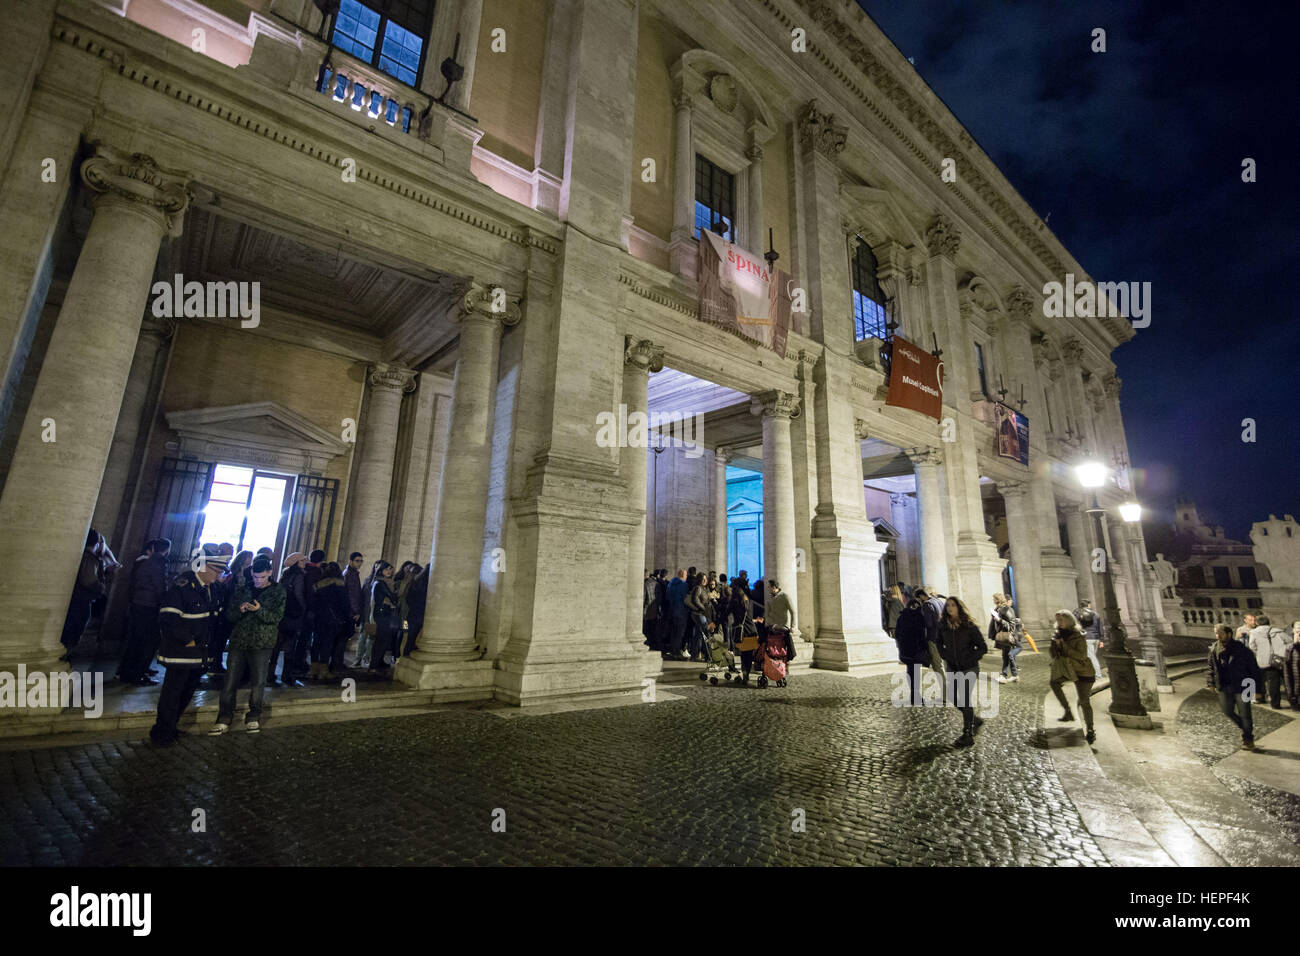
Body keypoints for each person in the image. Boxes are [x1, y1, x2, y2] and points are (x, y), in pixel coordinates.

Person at [149, 545, 225, 746]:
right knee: (172, 694)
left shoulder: (213, 589)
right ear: (202, 566)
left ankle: (171, 726)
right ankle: (161, 732)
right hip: (181, 651)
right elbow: (168, 619)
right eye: (216, 571)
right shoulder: (182, 587)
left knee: (187, 692)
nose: (218, 576)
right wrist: (187, 640)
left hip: (200, 653)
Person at [210, 555, 285, 735]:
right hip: (239, 640)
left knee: (258, 681)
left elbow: (276, 618)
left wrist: (259, 610)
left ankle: (254, 716)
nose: (258, 581)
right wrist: (240, 610)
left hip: (262, 642)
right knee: (230, 680)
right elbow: (230, 615)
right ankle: (224, 717)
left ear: (269, 573)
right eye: (255, 577)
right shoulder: (243, 589)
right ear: (251, 574)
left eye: (262, 577)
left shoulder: (278, 591)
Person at [117, 537, 171, 686]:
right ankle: (137, 674)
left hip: (139, 603)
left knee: (135, 639)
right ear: (167, 550)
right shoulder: (158, 563)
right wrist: (166, 601)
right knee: (148, 641)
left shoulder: (147, 561)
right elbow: (159, 586)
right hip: (149, 606)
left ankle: (127, 671)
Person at [60, 529, 120, 661]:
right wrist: (101, 587)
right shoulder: (89, 558)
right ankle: (63, 658)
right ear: (97, 544)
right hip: (82, 600)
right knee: (74, 632)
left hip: (78, 599)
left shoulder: (85, 556)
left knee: (71, 630)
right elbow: (89, 580)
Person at [937, 595, 987, 748]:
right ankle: (973, 719)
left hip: (969, 668)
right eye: (948, 605)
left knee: (965, 699)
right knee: (952, 696)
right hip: (952, 667)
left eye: (953, 605)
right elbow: (938, 642)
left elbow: (982, 647)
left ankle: (967, 734)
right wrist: (944, 655)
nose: (950, 608)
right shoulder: (943, 625)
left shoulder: (969, 626)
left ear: (959, 607)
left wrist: (970, 658)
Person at [1208, 622, 1263, 751]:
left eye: (1220, 633)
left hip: (1244, 685)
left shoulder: (1242, 649)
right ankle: (1246, 728)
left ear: (1229, 634)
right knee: (1227, 711)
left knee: (1245, 714)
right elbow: (1211, 667)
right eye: (1216, 633)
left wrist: (1258, 690)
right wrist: (1210, 682)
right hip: (1224, 686)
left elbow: (1254, 670)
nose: (1218, 636)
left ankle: (1248, 739)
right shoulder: (1214, 649)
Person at [1049, 609, 1097, 744]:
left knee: (1084, 701)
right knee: (1054, 683)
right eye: (1057, 620)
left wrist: (1064, 645)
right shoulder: (1058, 634)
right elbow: (1054, 655)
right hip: (1068, 670)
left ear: (1069, 620)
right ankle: (1067, 710)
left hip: (1082, 671)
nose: (1058, 622)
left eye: (1061, 620)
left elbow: (1081, 656)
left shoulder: (1078, 635)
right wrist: (1054, 644)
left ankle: (1090, 729)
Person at [209, 549, 252, 678]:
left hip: (239, 609)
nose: (250, 560)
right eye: (249, 557)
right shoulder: (233, 574)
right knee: (221, 639)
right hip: (229, 608)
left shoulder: (249, 573)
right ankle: (215, 663)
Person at [270, 552, 307, 687]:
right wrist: (303, 608)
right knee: (290, 646)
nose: (304, 563)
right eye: (302, 561)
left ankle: (270, 673)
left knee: (277, 645)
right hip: (293, 615)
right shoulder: (298, 576)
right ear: (296, 563)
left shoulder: (285, 575)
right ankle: (286, 675)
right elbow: (298, 594)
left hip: (283, 613)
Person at [309, 562, 351, 679]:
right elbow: (345, 604)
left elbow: (312, 602)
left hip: (318, 617)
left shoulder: (318, 585)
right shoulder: (340, 585)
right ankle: (323, 670)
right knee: (327, 643)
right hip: (333, 619)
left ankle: (313, 669)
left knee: (316, 642)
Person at [893, 592, 930, 705]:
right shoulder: (920, 618)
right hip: (917, 649)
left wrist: (901, 645)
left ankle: (913, 694)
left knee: (910, 671)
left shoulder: (902, 617)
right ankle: (916, 695)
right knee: (916, 673)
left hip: (906, 650)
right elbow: (923, 634)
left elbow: (897, 634)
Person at [1246, 614, 1288, 709]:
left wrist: (1261, 654)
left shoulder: (1254, 633)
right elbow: (1288, 641)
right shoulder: (1277, 631)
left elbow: (1252, 646)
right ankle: (1292, 701)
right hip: (1279, 660)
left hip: (1264, 661)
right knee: (1283, 681)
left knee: (1270, 682)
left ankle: (1275, 704)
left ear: (1257, 623)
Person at [367, 560, 400, 675]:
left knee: (384, 639)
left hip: (385, 613)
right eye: (386, 569)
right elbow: (392, 597)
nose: (389, 571)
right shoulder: (381, 583)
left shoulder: (386, 582)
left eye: (391, 569)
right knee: (381, 640)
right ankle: (373, 665)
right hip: (382, 614)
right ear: (381, 571)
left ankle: (379, 662)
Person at [989, 593, 1021, 684]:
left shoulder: (1006, 609)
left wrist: (1000, 620)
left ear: (998, 599)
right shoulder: (998, 609)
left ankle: (1008, 675)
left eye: (994, 599)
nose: (993, 600)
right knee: (1006, 656)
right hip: (1003, 636)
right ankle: (1010, 675)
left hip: (1008, 636)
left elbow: (1012, 625)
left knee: (1008, 656)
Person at [733, 584, 761, 685]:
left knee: (743, 655)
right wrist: (756, 620)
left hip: (741, 632)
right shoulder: (748, 601)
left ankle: (745, 673)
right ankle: (747, 674)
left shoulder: (734, 602)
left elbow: (727, 614)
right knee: (749, 655)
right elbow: (749, 618)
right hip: (750, 631)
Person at [403, 563, 428, 657]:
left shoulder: (413, 583)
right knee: (407, 636)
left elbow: (407, 600)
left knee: (407, 636)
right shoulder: (424, 586)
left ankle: (401, 656)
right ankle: (402, 656)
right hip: (411, 616)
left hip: (409, 615)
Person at [665, 569, 689, 661]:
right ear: (683, 575)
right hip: (681, 611)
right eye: (686, 575)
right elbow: (685, 599)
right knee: (679, 633)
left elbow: (667, 597)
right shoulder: (683, 585)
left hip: (671, 611)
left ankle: (672, 650)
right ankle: (676, 652)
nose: (686, 577)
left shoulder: (671, 583)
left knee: (673, 632)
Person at [1075, 598, 1103, 674]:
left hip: (1087, 638)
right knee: (1092, 656)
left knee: (1092, 657)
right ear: (1089, 605)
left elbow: (1075, 624)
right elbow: (1100, 627)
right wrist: (1101, 640)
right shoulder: (1096, 614)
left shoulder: (1079, 614)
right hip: (1096, 638)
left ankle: (1098, 675)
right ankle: (1091, 672)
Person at [1284, 621, 1300, 711]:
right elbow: (1287, 671)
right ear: (1293, 630)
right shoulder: (1290, 647)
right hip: (1296, 685)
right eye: (1298, 628)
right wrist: (1291, 695)